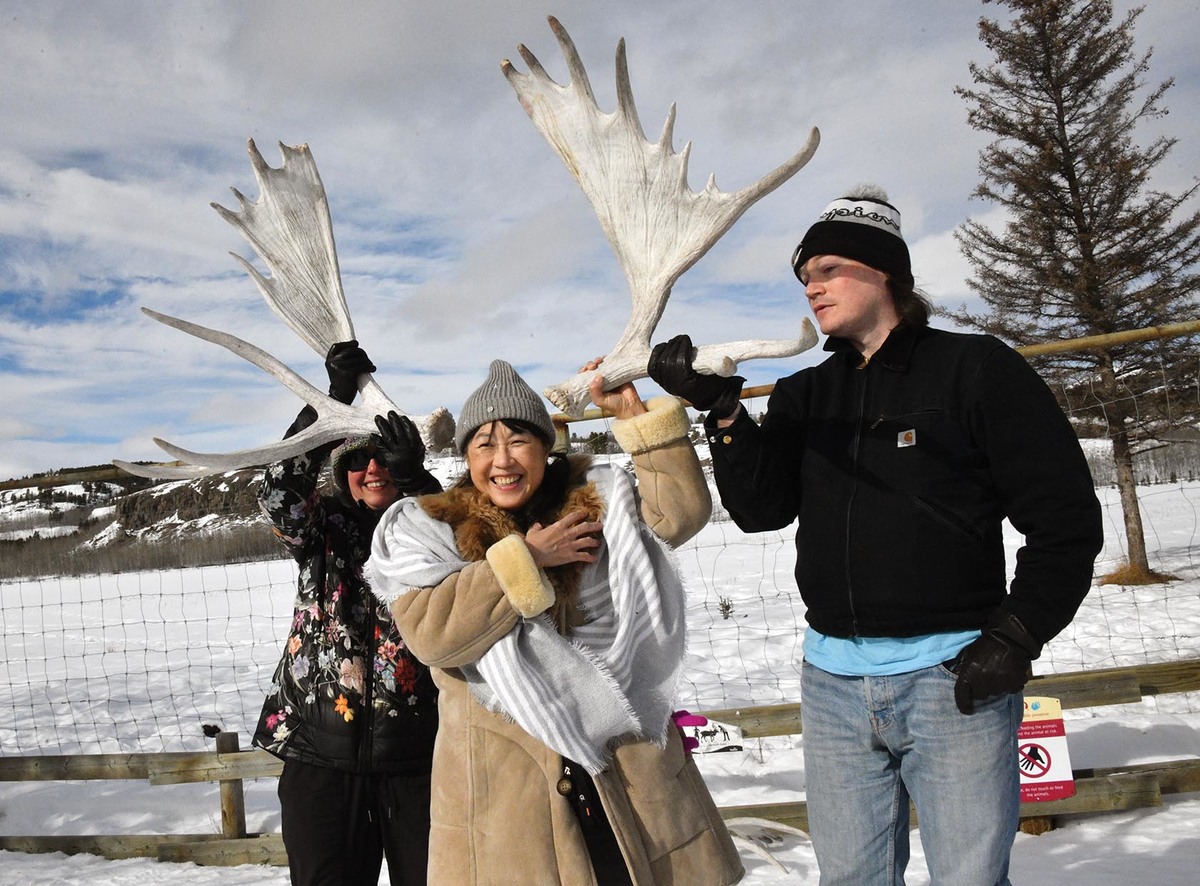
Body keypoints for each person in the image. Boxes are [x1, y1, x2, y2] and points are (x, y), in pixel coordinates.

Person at [649, 185, 1104, 885]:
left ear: (883, 272)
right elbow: (763, 508)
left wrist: (1016, 634)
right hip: (833, 683)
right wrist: (724, 410)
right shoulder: (808, 393)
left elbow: (1067, 521)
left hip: (952, 680)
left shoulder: (975, 370)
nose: (813, 288)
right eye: (804, 278)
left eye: (828, 269)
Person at [366, 359, 744, 885]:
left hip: (623, 767)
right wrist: (527, 559)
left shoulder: (599, 503)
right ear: (467, 458)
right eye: (484, 445)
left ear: (545, 446)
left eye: (519, 440)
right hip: (505, 793)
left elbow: (677, 515)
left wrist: (636, 417)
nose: (503, 460)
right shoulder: (432, 532)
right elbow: (433, 635)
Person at [255, 340, 442, 886]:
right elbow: (280, 493)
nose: (373, 469)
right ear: (341, 471)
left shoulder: (429, 529)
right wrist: (327, 402)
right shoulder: (319, 534)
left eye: (385, 457)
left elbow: (463, 542)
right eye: (358, 460)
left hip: (419, 755)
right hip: (320, 755)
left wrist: (418, 484)